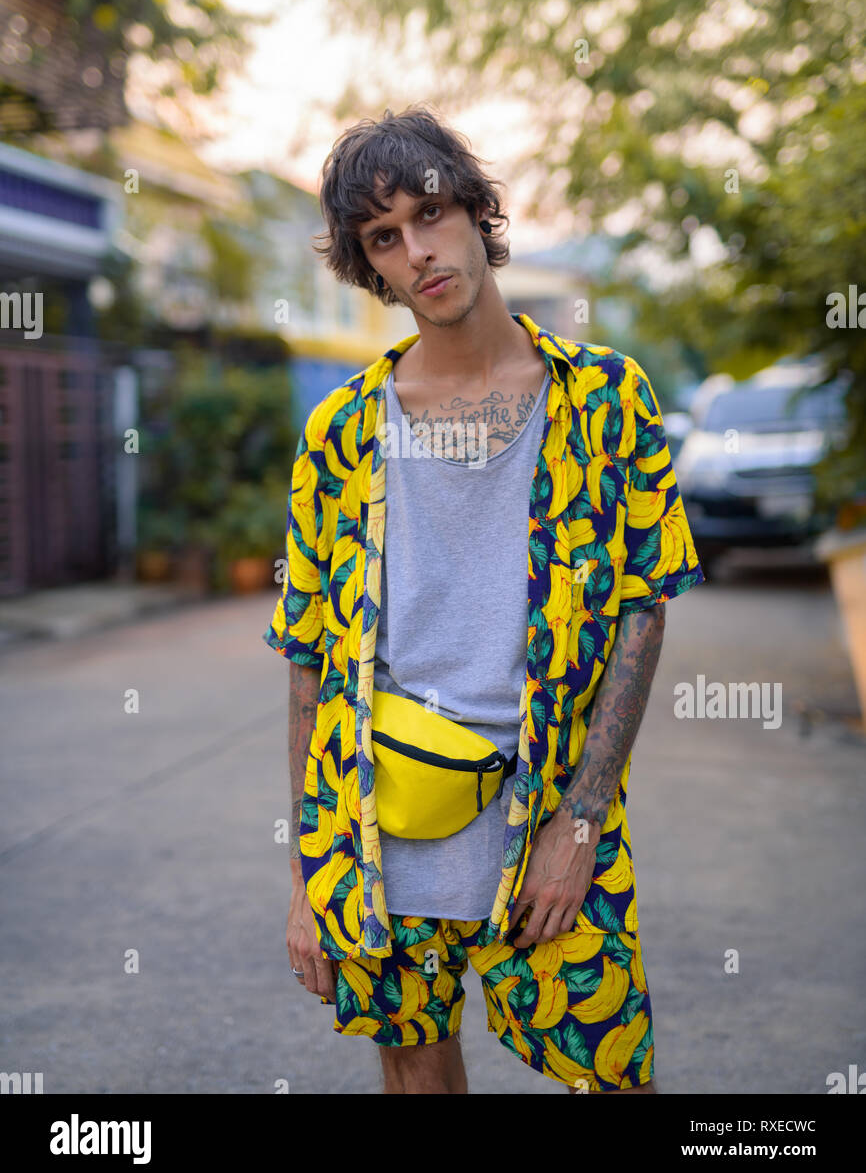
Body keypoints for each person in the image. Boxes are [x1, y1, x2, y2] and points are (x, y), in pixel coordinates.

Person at [263, 104, 704, 1094]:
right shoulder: (340, 432)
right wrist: (305, 878)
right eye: (383, 237)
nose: (417, 251)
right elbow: (306, 661)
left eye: (429, 212)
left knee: (608, 1076)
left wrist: (579, 824)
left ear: (474, 209)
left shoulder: (602, 400)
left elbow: (643, 606)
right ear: (364, 264)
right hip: (379, 836)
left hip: (547, 825)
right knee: (416, 1076)